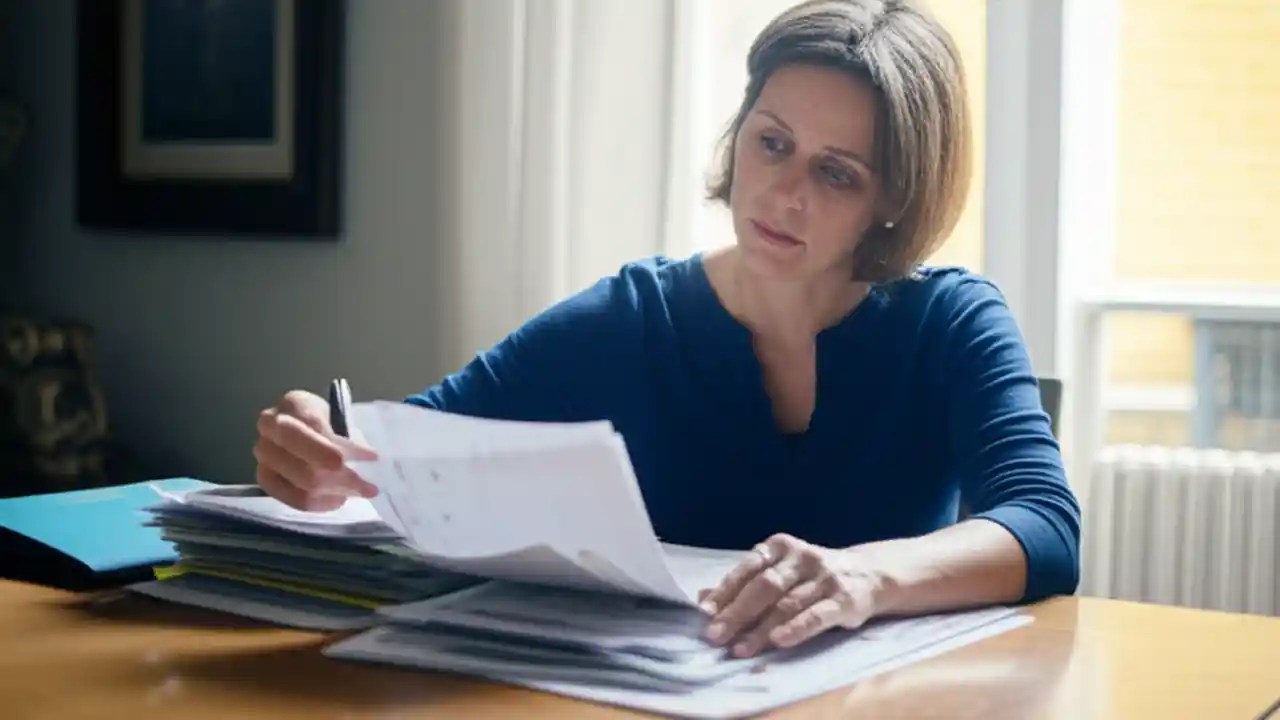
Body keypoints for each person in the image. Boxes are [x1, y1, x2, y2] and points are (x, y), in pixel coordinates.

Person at [253, 0, 1080, 660]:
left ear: (894, 198)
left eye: (835, 173)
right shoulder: (629, 319)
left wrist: (865, 576)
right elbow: (407, 445)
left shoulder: (952, 321)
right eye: (772, 143)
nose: (783, 192)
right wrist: (322, 445)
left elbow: (1044, 525)